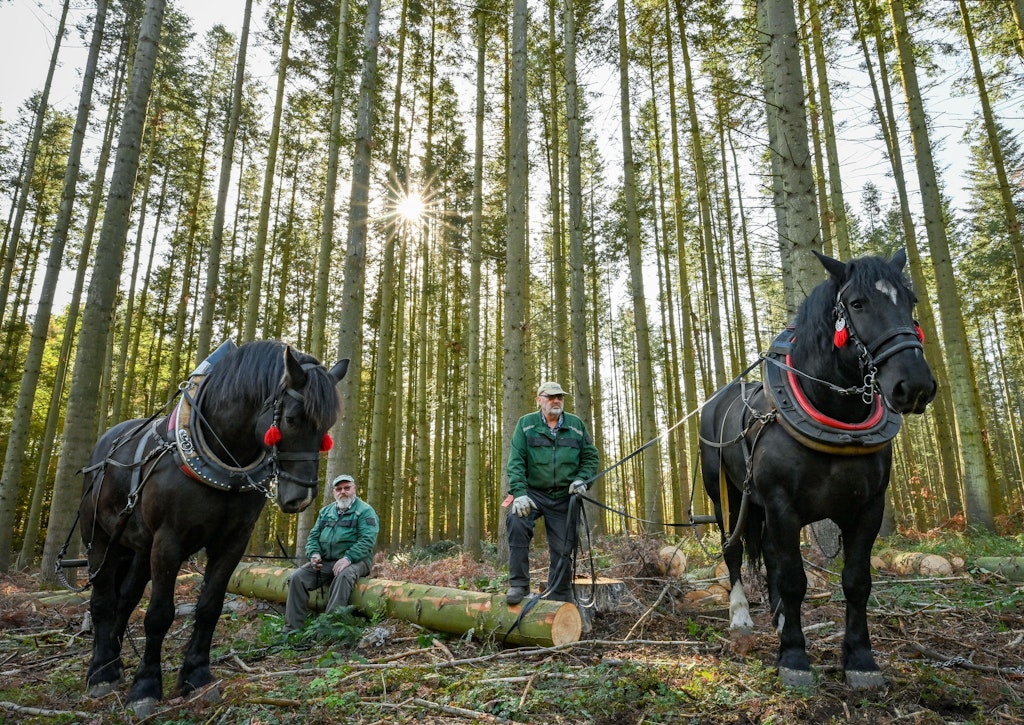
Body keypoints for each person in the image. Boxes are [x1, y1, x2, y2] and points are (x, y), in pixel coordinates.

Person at [505, 381, 599, 604]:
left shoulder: (576, 425)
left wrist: (581, 480)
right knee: (517, 522)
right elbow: (516, 461)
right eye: (550, 397)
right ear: (539, 400)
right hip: (534, 493)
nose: (556, 401)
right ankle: (518, 584)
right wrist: (519, 493)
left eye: (560, 397)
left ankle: (559, 595)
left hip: (565, 495)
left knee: (564, 547)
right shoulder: (526, 424)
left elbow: (590, 457)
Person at [285, 474, 379, 632]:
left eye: (347, 488)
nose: (343, 492)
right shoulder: (325, 511)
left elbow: (367, 541)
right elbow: (313, 536)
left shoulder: (365, 512)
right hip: (327, 561)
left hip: (358, 561)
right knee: (296, 578)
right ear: (334, 492)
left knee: (343, 575)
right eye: (339, 489)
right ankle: (292, 629)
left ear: (354, 489)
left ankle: (328, 628)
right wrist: (314, 554)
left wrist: (348, 558)